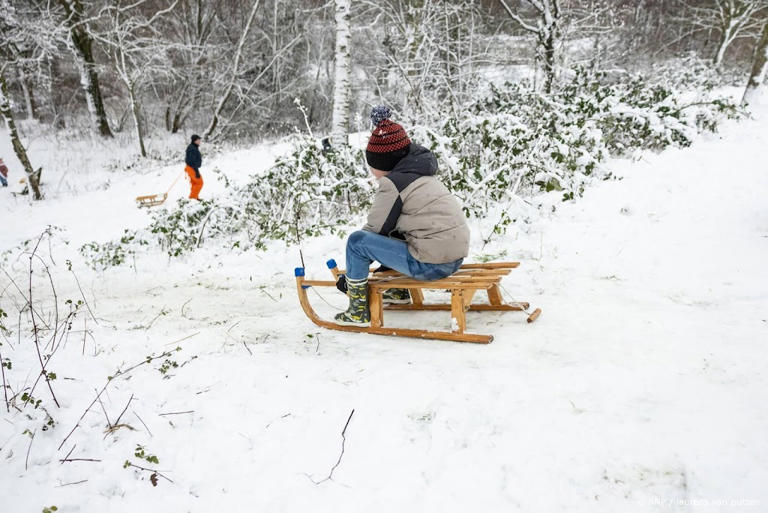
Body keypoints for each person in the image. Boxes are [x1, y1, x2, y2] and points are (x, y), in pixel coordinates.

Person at [334, 106, 470, 326]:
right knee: (399, 231)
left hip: (430, 264)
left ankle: (357, 310)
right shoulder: (423, 176)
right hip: (454, 259)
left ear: (382, 165)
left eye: (372, 165)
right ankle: (398, 291)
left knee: (357, 241)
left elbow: (374, 232)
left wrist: (351, 277)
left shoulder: (392, 184)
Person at [185, 134, 203, 200]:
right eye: (198, 140)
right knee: (199, 183)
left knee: (195, 183)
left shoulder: (193, 147)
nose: (199, 141)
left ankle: (195, 198)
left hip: (190, 167)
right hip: (192, 168)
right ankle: (192, 198)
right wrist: (196, 171)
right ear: (194, 141)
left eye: (200, 140)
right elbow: (192, 161)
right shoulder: (192, 148)